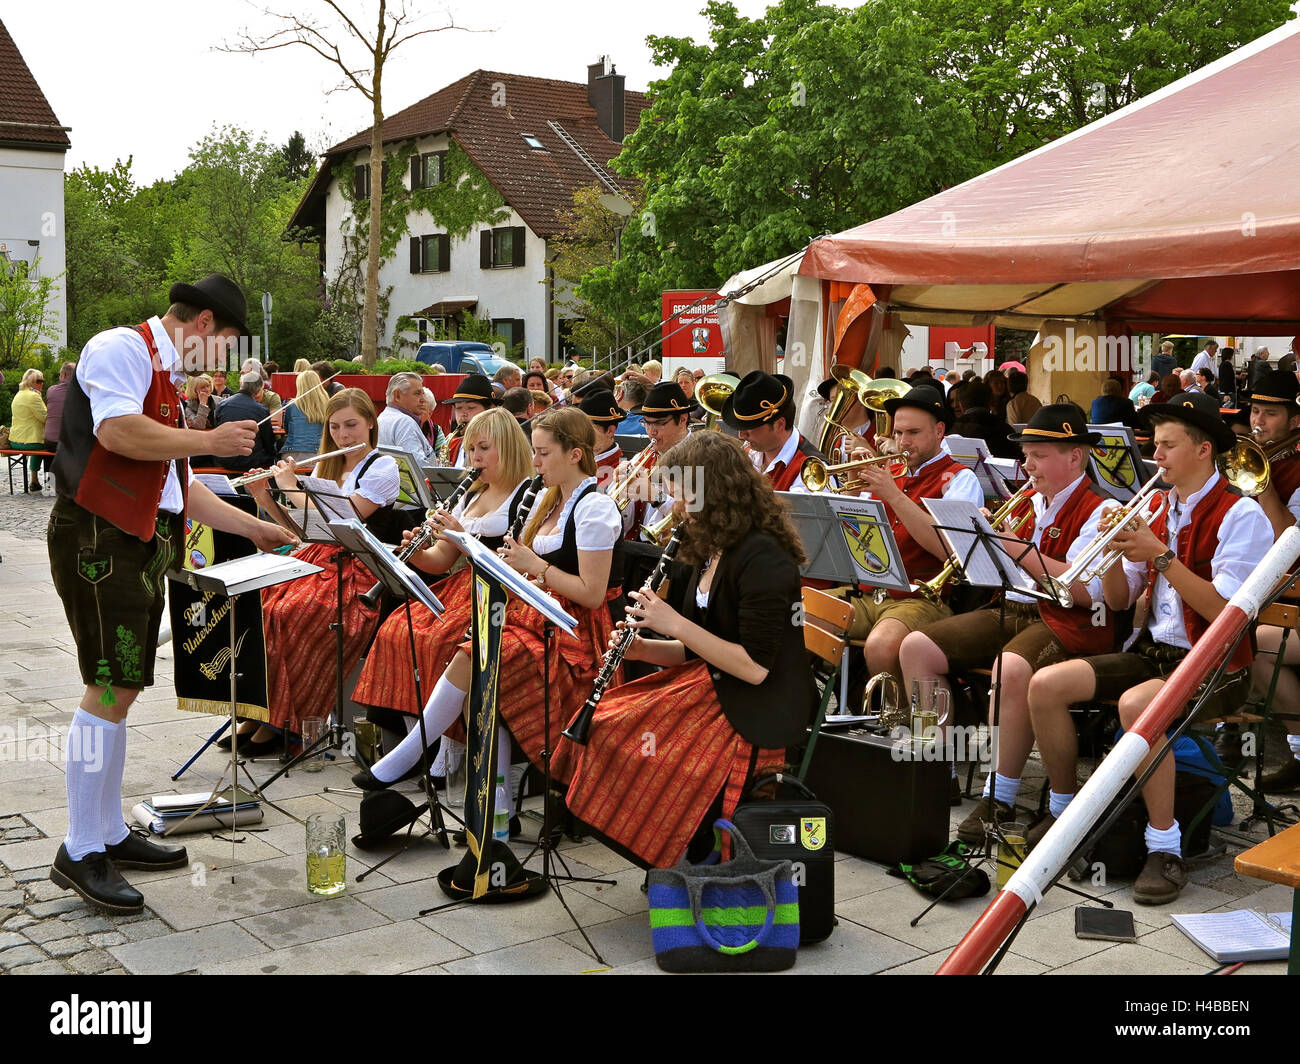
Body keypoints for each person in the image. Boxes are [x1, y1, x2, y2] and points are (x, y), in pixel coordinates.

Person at [46, 273, 296, 913]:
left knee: (120, 685)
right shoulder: (122, 349)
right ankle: (79, 849)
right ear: (206, 325)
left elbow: (179, 488)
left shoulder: (162, 375)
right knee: (109, 682)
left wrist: (255, 527)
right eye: (229, 343)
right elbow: (116, 434)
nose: (225, 359)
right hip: (100, 536)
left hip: (137, 538)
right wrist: (209, 440)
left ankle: (104, 833)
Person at [1026, 393, 1272, 904]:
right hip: (1157, 652)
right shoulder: (1157, 505)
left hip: (1217, 662)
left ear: (1203, 450)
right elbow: (1117, 599)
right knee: (1045, 685)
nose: (1153, 456)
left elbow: (1226, 613)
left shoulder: (1241, 513)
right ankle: (1064, 808)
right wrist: (1112, 548)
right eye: (1154, 445)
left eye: (1166, 445)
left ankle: (1165, 846)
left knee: (1140, 706)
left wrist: (1160, 557)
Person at [556, 431, 816, 868]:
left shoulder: (764, 559)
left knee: (629, 738)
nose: (674, 507)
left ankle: (678, 849)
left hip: (759, 700)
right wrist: (642, 649)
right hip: (715, 681)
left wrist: (670, 622)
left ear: (711, 492)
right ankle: (669, 851)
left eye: (679, 496)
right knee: (607, 720)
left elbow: (753, 668)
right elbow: (698, 649)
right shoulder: (708, 547)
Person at [352, 407, 623, 797]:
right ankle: (492, 806)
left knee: (474, 651)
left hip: (572, 632)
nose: (535, 462)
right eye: (534, 451)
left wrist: (535, 566)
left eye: (543, 453)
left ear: (575, 454)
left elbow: (592, 594)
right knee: (472, 654)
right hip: (532, 612)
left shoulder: (594, 507)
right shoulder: (547, 500)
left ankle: (419, 758)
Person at [899, 405, 1120, 842]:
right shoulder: (1029, 500)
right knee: (916, 648)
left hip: (1069, 619)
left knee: (1012, 669)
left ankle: (999, 794)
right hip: (1013, 609)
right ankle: (936, 763)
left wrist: (1016, 549)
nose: (1027, 464)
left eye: (1038, 455)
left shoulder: (1101, 509)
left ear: (1075, 458)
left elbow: (1086, 592)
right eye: (1026, 454)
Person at [345, 410, 534, 727]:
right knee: (397, 627)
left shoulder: (528, 493)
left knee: (436, 641)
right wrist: (414, 553)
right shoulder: (473, 494)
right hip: (461, 586)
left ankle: (443, 748)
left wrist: (460, 536)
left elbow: (515, 566)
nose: (475, 457)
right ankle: (406, 731)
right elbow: (440, 560)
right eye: (471, 449)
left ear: (509, 446)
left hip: (499, 594)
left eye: (484, 448)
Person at [238, 389, 401, 753]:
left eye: (352, 425)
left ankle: (290, 721)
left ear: (371, 424)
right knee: (258, 605)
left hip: (358, 569)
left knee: (290, 612)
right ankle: (263, 709)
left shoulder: (383, 467)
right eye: (336, 427)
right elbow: (303, 530)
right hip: (317, 558)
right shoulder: (329, 465)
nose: (344, 435)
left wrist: (290, 485)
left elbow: (346, 520)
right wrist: (264, 496)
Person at [722, 370, 823, 491]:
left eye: (749, 427)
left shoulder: (812, 473)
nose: (741, 435)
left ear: (779, 424)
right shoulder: (749, 454)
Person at [211, 370, 277, 472]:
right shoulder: (261, 410)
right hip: (253, 461)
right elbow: (268, 441)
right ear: (258, 389)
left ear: (241, 384)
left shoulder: (222, 405)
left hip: (225, 459)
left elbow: (217, 429)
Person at [440, 374, 497, 467]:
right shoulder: (452, 445)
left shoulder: (501, 445)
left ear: (490, 409)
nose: (463, 414)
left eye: (471, 407)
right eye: (458, 408)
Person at [377, 370, 433, 460]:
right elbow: (417, 467)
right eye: (417, 393)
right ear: (397, 395)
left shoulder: (381, 418)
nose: (423, 399)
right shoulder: (404, 422)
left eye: (423, 394)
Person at [10, 367, 49, 491]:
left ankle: (34, 480)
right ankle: (51, 484)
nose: (42, 383)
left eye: (42, 380)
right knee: (51, 446)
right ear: (30, 382)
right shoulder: (33, 397)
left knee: (38, 445)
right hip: (30, 442)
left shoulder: (18, 394)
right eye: (39, 381)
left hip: (15, 440)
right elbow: (45, 418)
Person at [280, 368, 329, 463]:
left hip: (292, 455)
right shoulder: (327, 404)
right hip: (320, 454)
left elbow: (286, 429)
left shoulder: (292, 405)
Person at [579, 389, 626, 489]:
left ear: (610, 431)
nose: (580, 436)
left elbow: (662, 500)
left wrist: (652, 495)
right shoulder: (578, 461)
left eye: (588, 430)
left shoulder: (621, 472)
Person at [43, 362, 76, 487]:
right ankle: (70, 485)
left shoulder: (51, 390)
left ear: (63, 375)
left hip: (50, 441)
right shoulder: (80, 393)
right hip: (68, 442)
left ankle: (50, 486)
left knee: (49, 456)